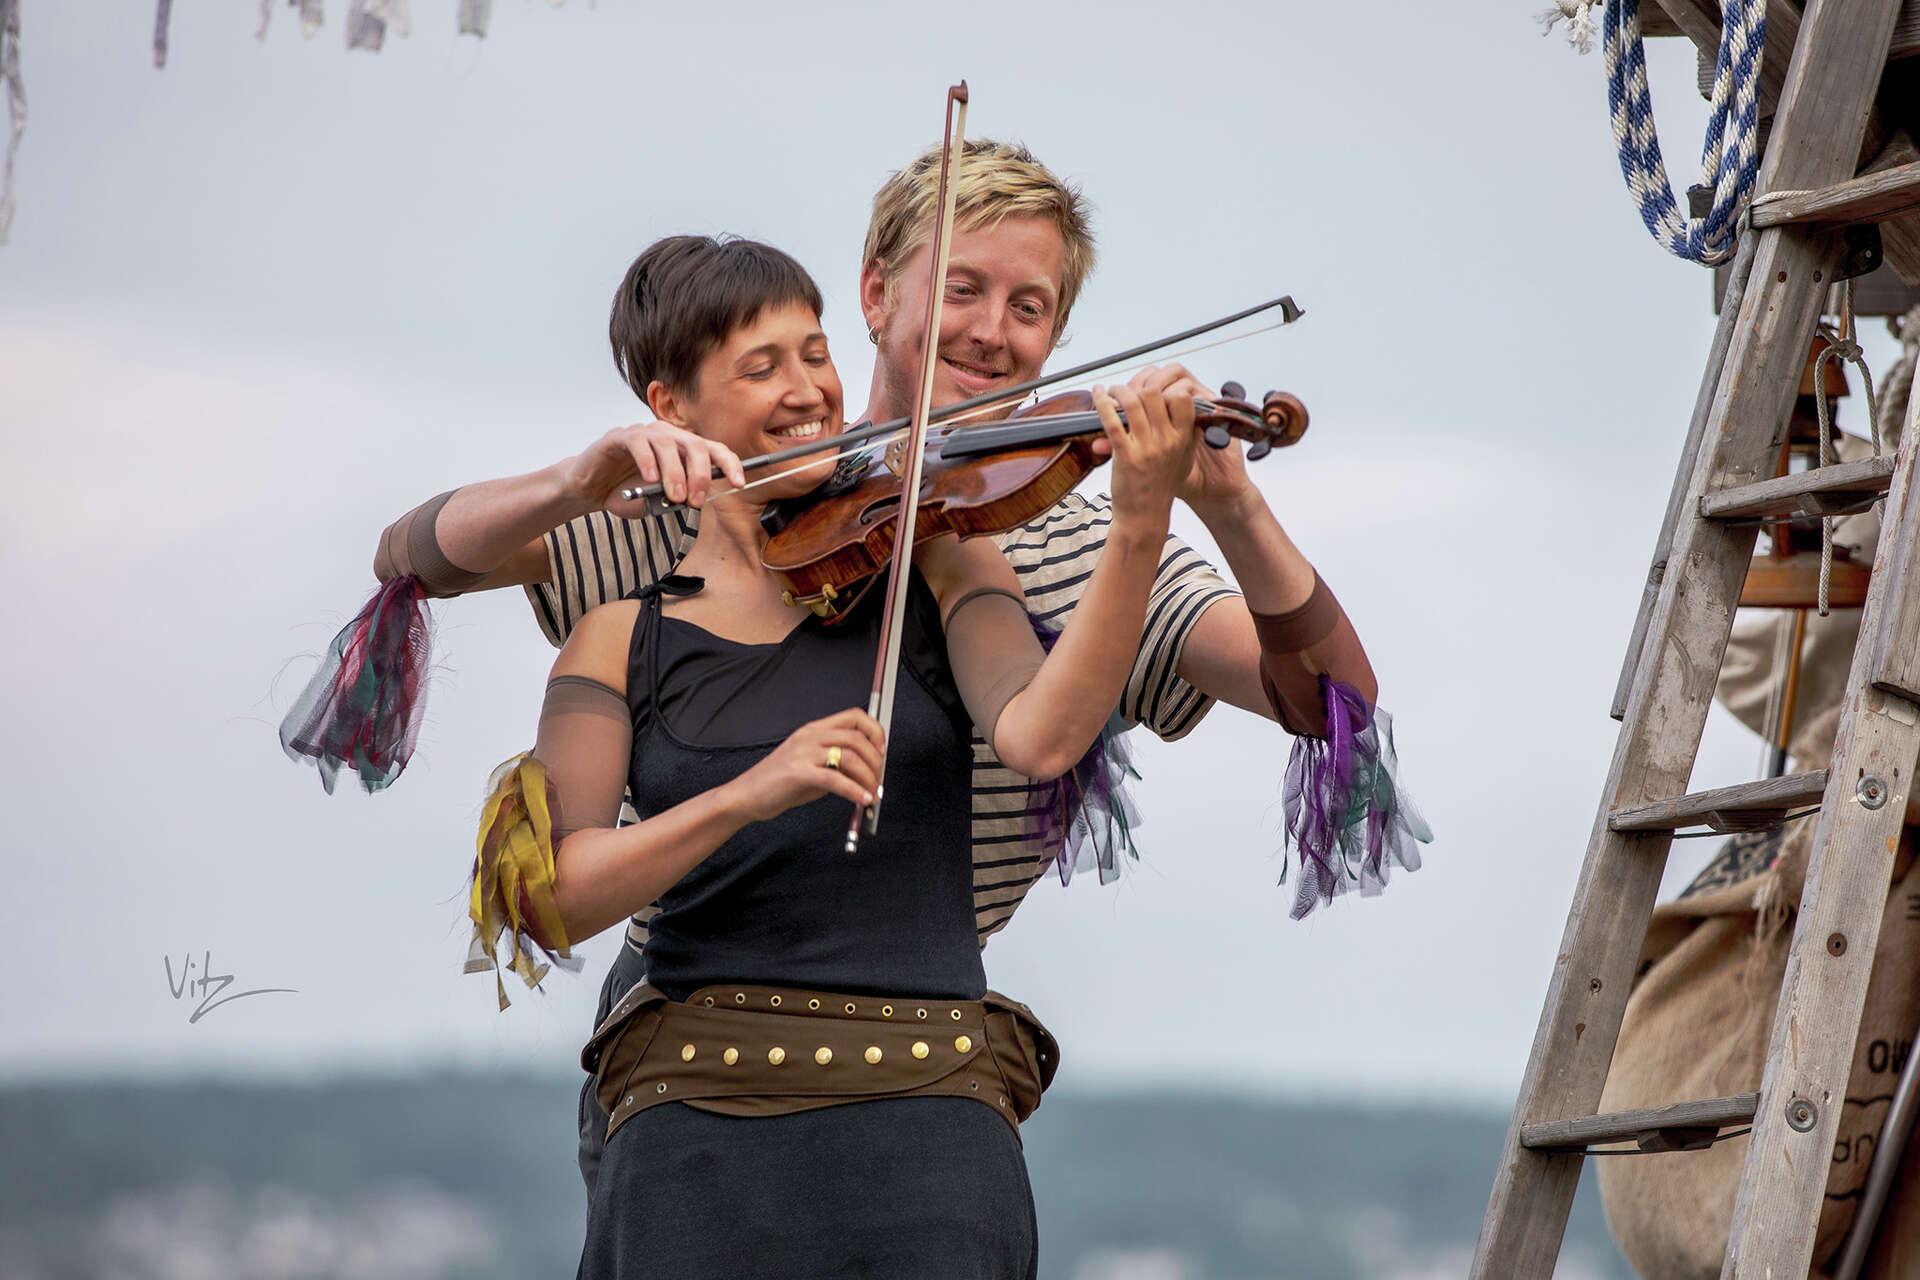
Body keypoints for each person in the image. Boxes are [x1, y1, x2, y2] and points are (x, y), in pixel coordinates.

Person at [370, 140, 1416, 1194]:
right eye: (962, 288)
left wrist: (1233, 507)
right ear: (875, 295)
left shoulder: (1078, 545)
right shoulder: (718, 502)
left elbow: (1328, 700)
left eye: (1030, 306)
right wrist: (577, 474)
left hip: (915, 1051)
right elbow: (419, 555)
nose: (992, 331)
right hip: (694, 1044)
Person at [465, 231, 1204, 1276]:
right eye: (760, 366)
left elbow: (1041, 734)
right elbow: (553, 896)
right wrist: (751, 793)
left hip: (931, 1141)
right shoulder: (623, 632)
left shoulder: (935, 551)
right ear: (671, 408)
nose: (811, 388)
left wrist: (1138, 522)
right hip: (695, 1145)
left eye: (814, 352)